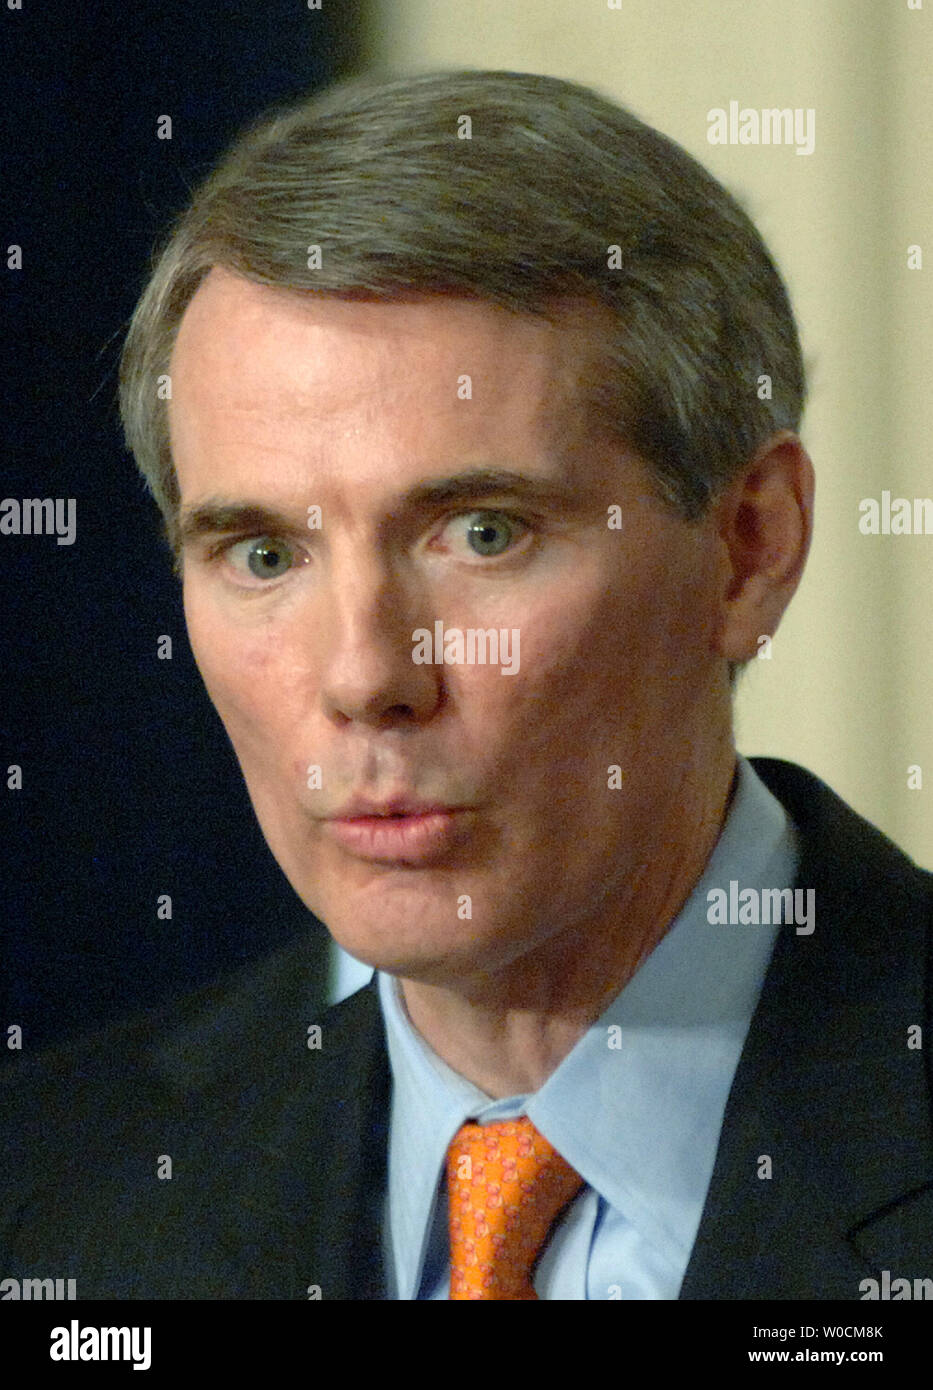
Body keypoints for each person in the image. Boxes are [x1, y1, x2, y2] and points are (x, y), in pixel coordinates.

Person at [2, 69, 931, 1302]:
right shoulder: (49, 1187)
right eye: (265, 555)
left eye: (483, 533)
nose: (366, 677)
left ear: (749, 548)